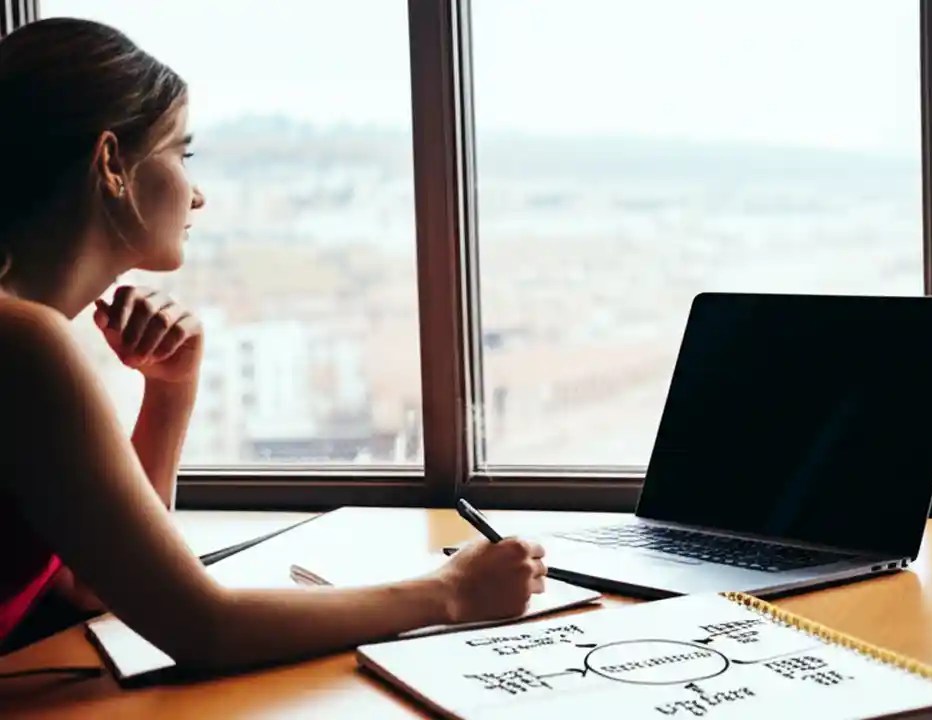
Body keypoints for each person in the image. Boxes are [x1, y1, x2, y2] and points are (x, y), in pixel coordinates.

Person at [0, 18, 546, 668]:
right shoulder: (24, 346)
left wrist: (171, 391)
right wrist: (453, 592)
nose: (197, 193)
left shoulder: (25, 338)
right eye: (182, 153)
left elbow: (96, 585)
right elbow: (205, 629)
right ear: (112, 163)